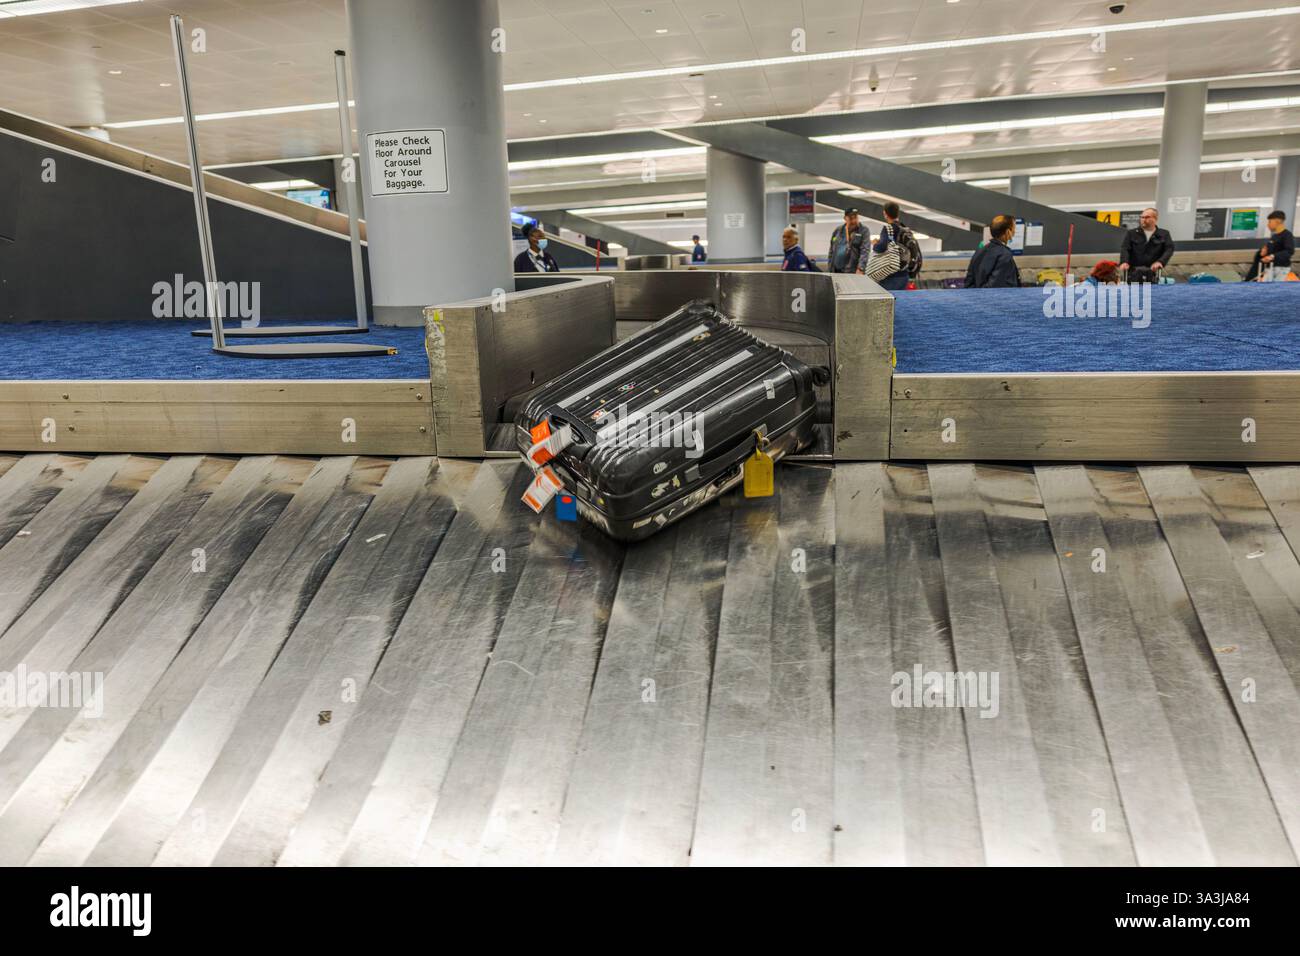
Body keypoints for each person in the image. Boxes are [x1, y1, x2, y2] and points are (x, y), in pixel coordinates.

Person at [964, 215, 1021, 288]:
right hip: (994, 298)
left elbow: (968, 283)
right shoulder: (1004, 255)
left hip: (976, 297)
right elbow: (996, 287)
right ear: (1008, 232)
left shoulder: (979, 251)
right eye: (1013, 229)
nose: (1014, 232)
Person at [872, 201, 918, 291]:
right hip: (904, 274)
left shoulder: (888, 228)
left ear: (885, 213)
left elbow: (881, 248)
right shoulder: (904, 228)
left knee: (888, 303)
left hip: (890, 275)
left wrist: (875, 244)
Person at [1118, 207, 1175, 279]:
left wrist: (1160, 262)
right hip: (1133, 273)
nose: (1143, 220)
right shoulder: (1131, 233)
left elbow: (1169, 249)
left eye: (1147, 217)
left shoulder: (1164, 234)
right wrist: (1124, 262)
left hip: (1153, 273)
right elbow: (1125, 248)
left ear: (1155, 219)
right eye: (1142, 217)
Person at [1245, 210, 1295, 281]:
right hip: (1270, 268)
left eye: (1270, 222)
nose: (1268, 225)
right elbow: (1271, 252)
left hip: (1281, 269)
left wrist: (1272, 256)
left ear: (1277, 221)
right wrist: (1263, 253)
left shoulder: (1287, 235)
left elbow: (1289, 251)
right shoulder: (1274, 237)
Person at [827, 207, 869, 274]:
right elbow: (831, 250)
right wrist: (829, 266)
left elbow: (865, 250)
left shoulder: (863, 230)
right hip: (835, 270)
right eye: (851, 218)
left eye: (856, 217)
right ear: (845, 218)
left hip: (852, 271)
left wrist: (861, 268)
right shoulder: (838, 230)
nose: (854, 220)